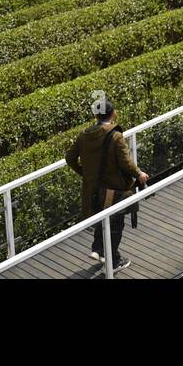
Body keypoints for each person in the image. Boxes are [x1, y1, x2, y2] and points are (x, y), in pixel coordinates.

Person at [64, 98, 148, 273]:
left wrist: (86, 175)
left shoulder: (83, 135)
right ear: (113, 113)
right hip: (113, 190)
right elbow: (126, 163)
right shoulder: (115, 136)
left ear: (96, 115)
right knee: (115, 223)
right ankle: (113, 261)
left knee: (103, 219)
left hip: (93, 190)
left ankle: (99, 250)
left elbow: (70, 158)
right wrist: (139, 174)